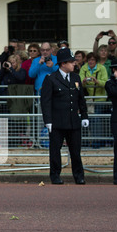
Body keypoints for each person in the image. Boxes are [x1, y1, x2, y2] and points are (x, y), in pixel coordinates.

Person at [40, 47, 89, 185]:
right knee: (55, 151)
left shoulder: (76, 77)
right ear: (63, 63)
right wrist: (48, 120)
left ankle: (79, 176)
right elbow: (46, 102)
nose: (74, 64)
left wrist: (84, 115)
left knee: (75, 151)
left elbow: (81, 99)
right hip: (57, 122)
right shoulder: (51, 79)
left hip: (73, 121)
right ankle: (55, 175)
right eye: (71, 61)